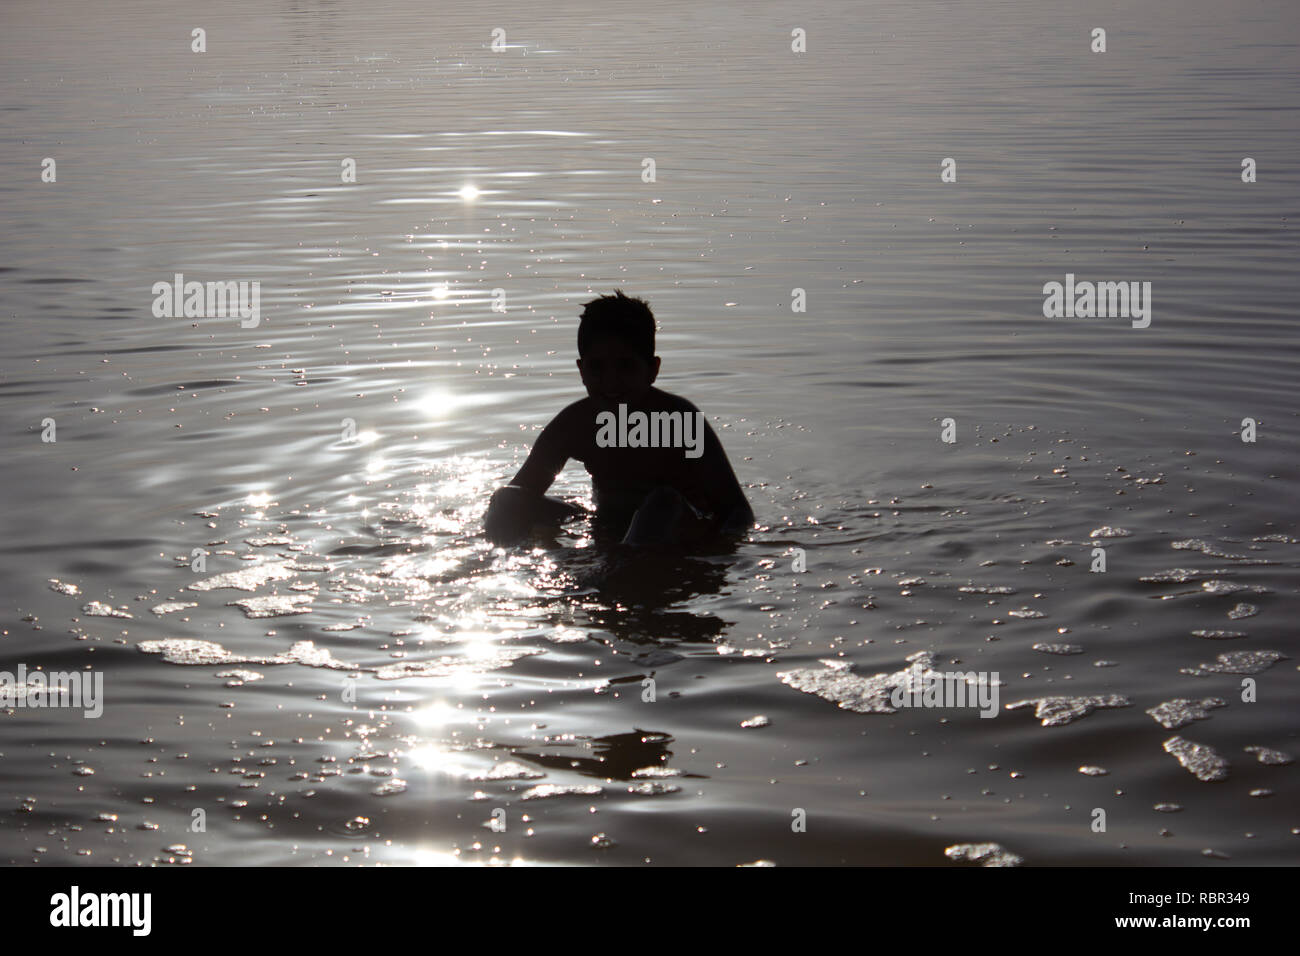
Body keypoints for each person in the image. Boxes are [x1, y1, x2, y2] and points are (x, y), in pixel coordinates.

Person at [484, 290, 753, 547]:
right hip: (606, 523)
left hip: (675, 527)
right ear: (581, 370)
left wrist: (716, 548)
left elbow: (738, 513)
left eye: (625, 366)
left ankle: (627, 571)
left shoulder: (679, 421)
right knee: (506, 499)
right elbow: (523, 492)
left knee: (662, 501)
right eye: (597, 367)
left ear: (652, 370)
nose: (611, 381)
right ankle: (501, 563)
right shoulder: (574, 424)